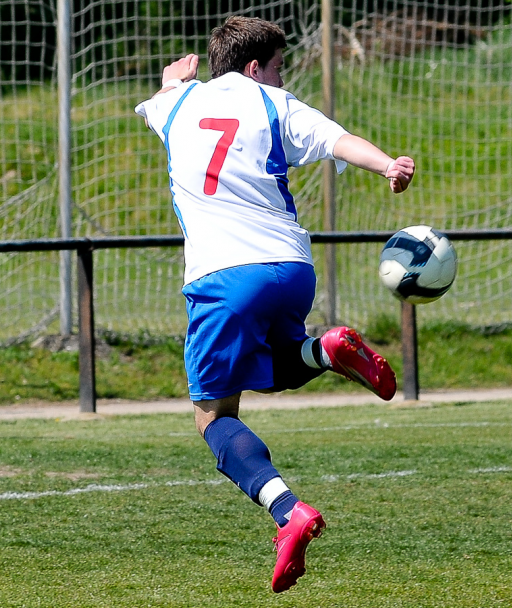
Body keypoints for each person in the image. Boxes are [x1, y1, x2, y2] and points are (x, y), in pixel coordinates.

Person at [134, 16, 415, 593]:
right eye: (280, 65)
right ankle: (324, 349)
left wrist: (170, 81)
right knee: (279, 364)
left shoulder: (179, 105)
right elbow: (339, 142)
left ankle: (289, 513)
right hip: (292, 267)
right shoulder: (275, 103)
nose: (283, 75)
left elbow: (161, 100)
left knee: (214, 416)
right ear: (256, 67)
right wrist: (388, 164)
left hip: (223, 277)